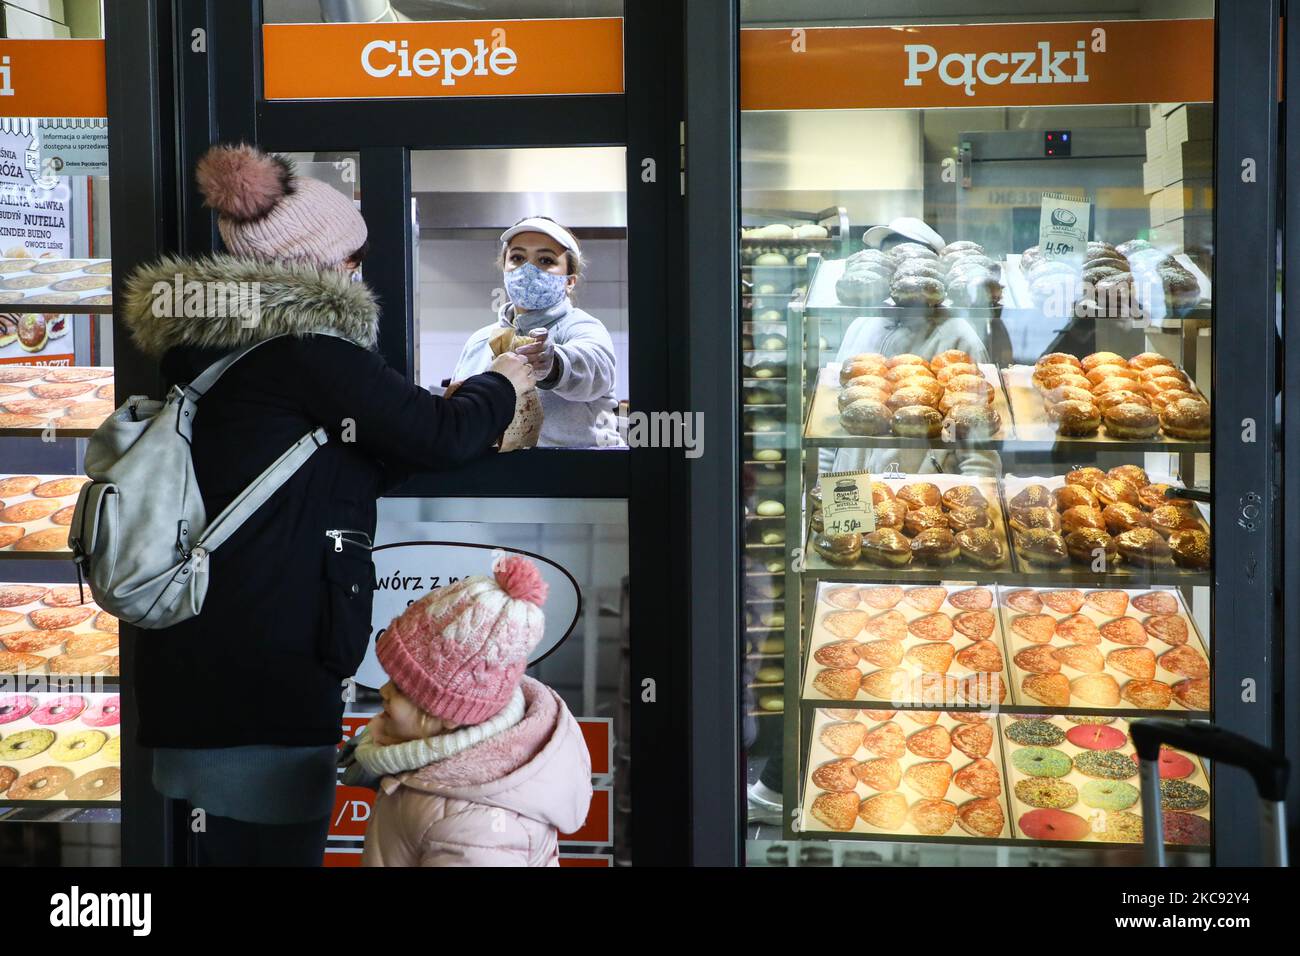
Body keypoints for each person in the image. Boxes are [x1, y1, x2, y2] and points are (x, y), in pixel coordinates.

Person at [120, 143, 534, 866]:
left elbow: (323, 469)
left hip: (201, 673)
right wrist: (500, 378)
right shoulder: (309, 353)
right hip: (261, 689)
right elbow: (444, 434)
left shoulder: (220, 354)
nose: (359, 271)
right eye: (352, 257)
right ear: (313, 265)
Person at [345, 555, 593, 866]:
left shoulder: (479, 829)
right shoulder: (433, 762)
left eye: (401, 688)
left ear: (448, 715)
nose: (384, 691)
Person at [451, 216, 620, 448]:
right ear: (505, 271)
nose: (528, 270)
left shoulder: (581, 328)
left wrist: (553, 365)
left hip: (578, 475)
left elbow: (595, 369)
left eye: (545, 260)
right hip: (500, 478)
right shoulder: (480, 341)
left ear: (569, 281)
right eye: (518, 258)